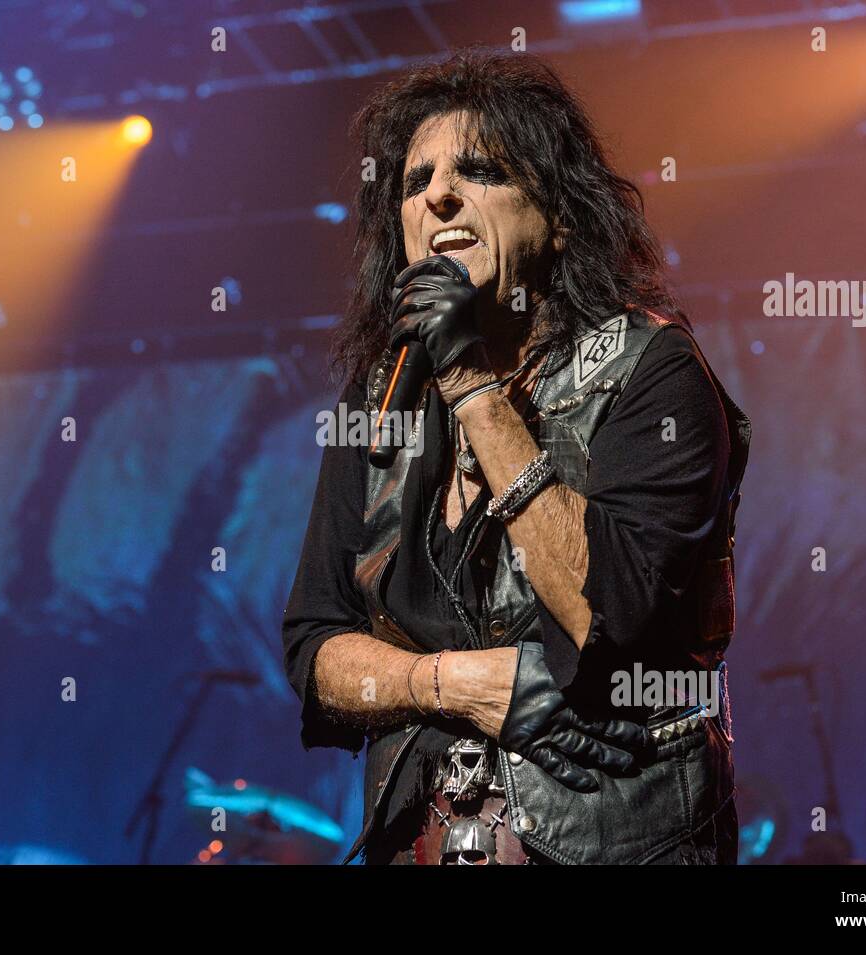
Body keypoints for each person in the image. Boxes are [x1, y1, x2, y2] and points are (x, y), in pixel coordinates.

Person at [282, 50, 751, 865]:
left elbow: (608, 615)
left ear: (559, 217)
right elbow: (315, 644)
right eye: (414, 181)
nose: (438, 194)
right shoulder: (380, 403)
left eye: (480, 171)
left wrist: (470, 381)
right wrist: (453, 684)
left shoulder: (651, 372)